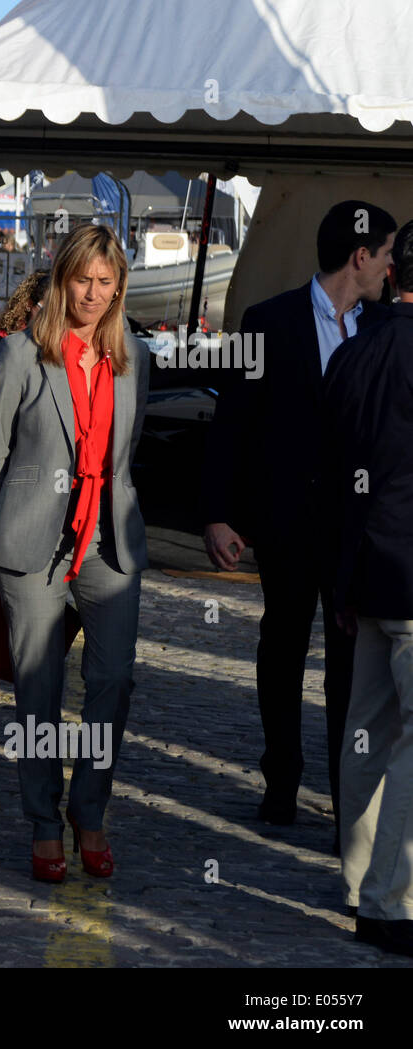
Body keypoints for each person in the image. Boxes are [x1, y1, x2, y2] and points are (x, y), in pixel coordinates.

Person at [202, 199, 396, 835]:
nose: (393, 268)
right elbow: (231, 427)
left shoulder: (384, 327)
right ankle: (281, 775)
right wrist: (218, 516)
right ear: (360, 257)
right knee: (282, 647)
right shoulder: (267, 322)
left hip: (355, 533)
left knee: (351, 664)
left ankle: (347, 794)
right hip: (285, 523)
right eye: (388, 254)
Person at [0, 222, 150, 883]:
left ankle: (90, 809)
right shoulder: (23, 355)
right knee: (39, 691)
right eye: (82, 279)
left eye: (106, 283)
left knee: (113, 681)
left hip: (110, 545)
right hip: (33, 550)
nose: (93, 294)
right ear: (62, 278)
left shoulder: (131, 352)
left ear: (119, 287)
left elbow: (127, 455)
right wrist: (12, 528)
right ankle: (45, 823)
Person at [320, 218, 413, 956]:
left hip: (367, 575)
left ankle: (359, 884)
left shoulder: (355, 351)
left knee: (368, 735)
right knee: (395, 741)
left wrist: (344, 579)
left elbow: (339, 479)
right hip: (405, 576)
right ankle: (388, 899)